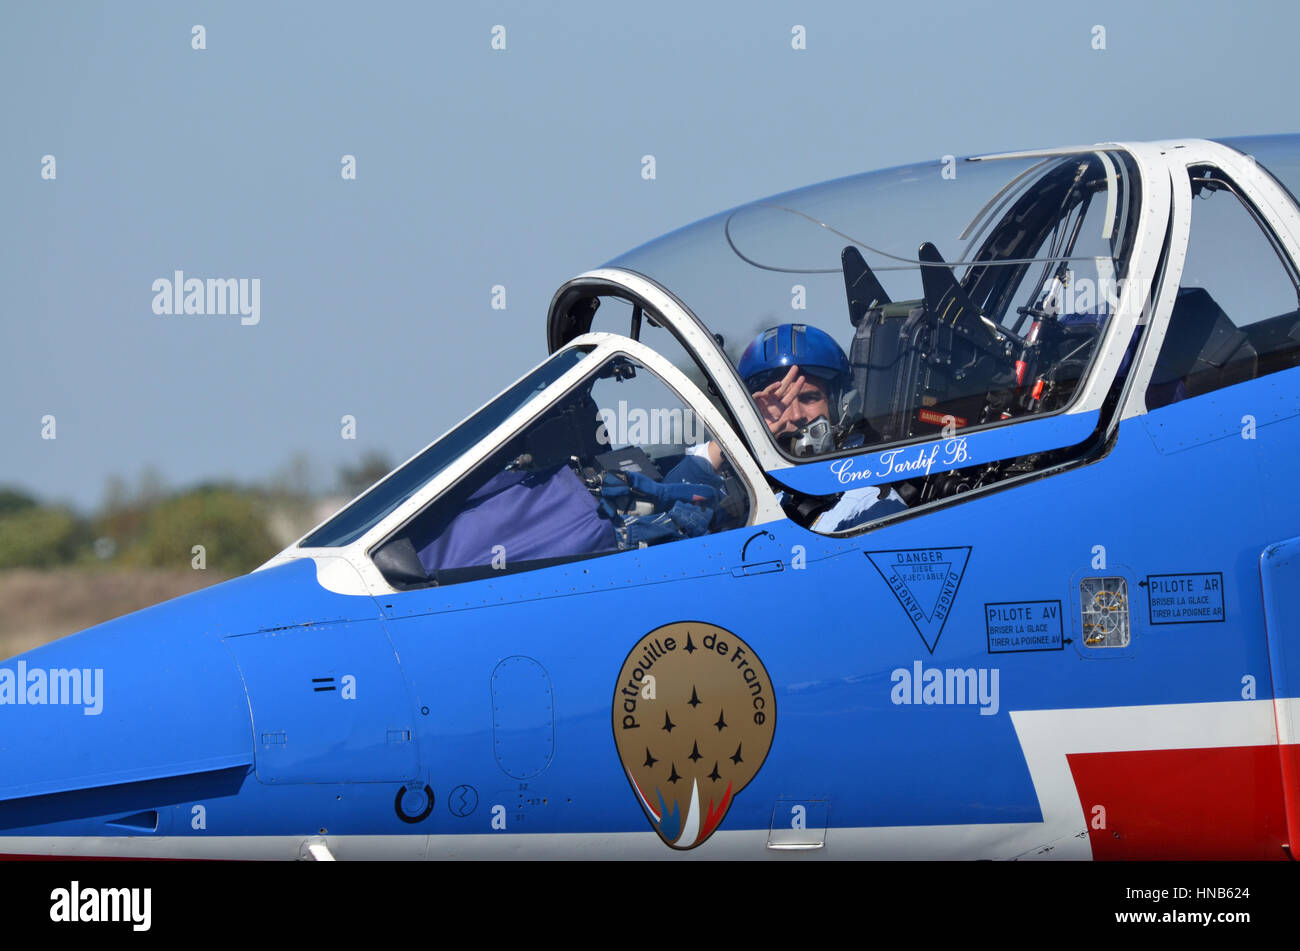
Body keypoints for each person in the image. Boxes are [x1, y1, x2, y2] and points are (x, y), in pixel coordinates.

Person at [690, 323, 906, 532]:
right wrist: (740, 435)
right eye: (780, 404)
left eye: (809, 398)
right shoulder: (753, 489)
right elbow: (672, 498)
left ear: (842, 406)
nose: (795, 416)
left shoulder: (872, 505)